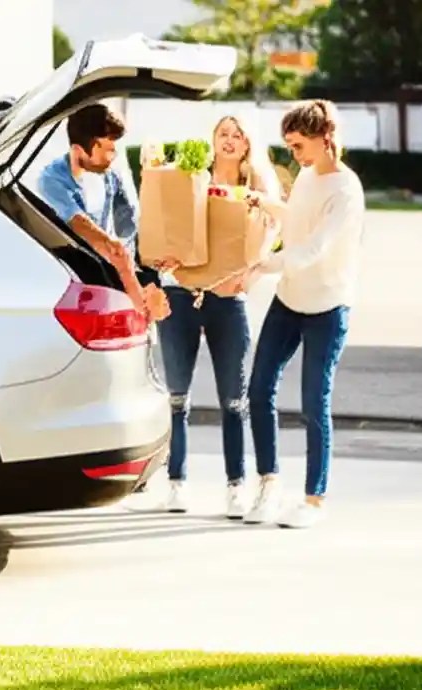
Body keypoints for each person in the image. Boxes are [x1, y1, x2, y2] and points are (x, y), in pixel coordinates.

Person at [242, 100, 366, 529]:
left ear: (324, 138)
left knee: (315, 403)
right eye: (289, 147)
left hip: (327, 308)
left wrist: (261, 267)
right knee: (258, 389)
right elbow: (296, 221)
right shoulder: (309, 176)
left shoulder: (347, 191)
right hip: (289, 300)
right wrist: (262, 202)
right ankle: (269, 483)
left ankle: (314, 501)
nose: (294, 155)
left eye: (298, 146)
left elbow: (314, 250)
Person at [153, 116, 283, 517]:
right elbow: (169, 225)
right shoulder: (191, 176)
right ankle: (176, 483)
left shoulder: (256, 188)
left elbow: (275, 227)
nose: (229, 140)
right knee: (177, 398)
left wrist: (252, 272)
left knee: (233, 400)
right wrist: (166, 254)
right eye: (222, 133)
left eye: (237, 135)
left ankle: (235, 487)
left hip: (227, 302)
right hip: (179, 293)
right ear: (213, 140)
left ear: (247, 144)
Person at [38, 103, 169, 321]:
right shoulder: (52, 181)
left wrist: (153, 265)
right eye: (108, 150)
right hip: (82, 286)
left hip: (117, 278)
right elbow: (84, 228)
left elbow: (131, 227)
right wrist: (136, 292)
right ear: (79, 150)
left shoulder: (109, 175)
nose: (113, 156)